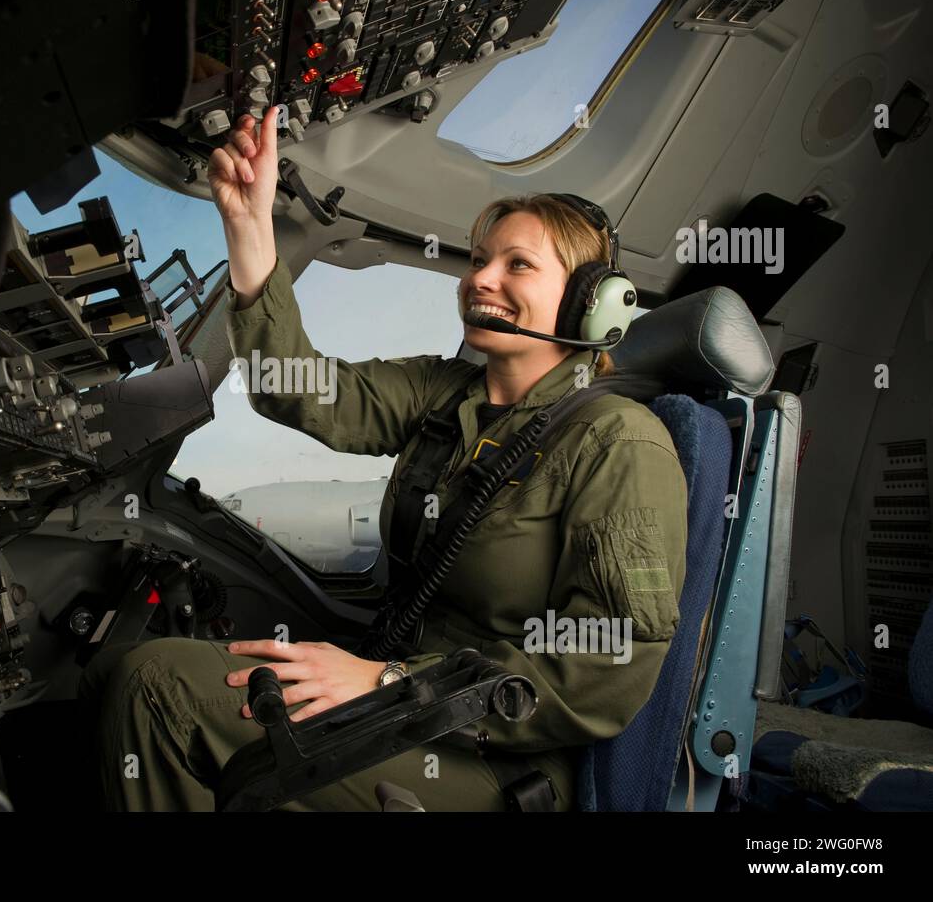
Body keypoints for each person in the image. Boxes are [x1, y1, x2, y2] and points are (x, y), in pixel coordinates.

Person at [79, 107, 688, 811]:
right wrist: (248, 228)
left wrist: (391, 683)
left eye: (517, 263)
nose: (481, 278)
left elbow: (604, 668)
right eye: (481, 258)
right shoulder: (443, 390)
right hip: (398, 692)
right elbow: (297, 388)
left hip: (494, 753)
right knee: (109, 675)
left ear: (591, 305)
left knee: (157, 692)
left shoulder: (619, 441)